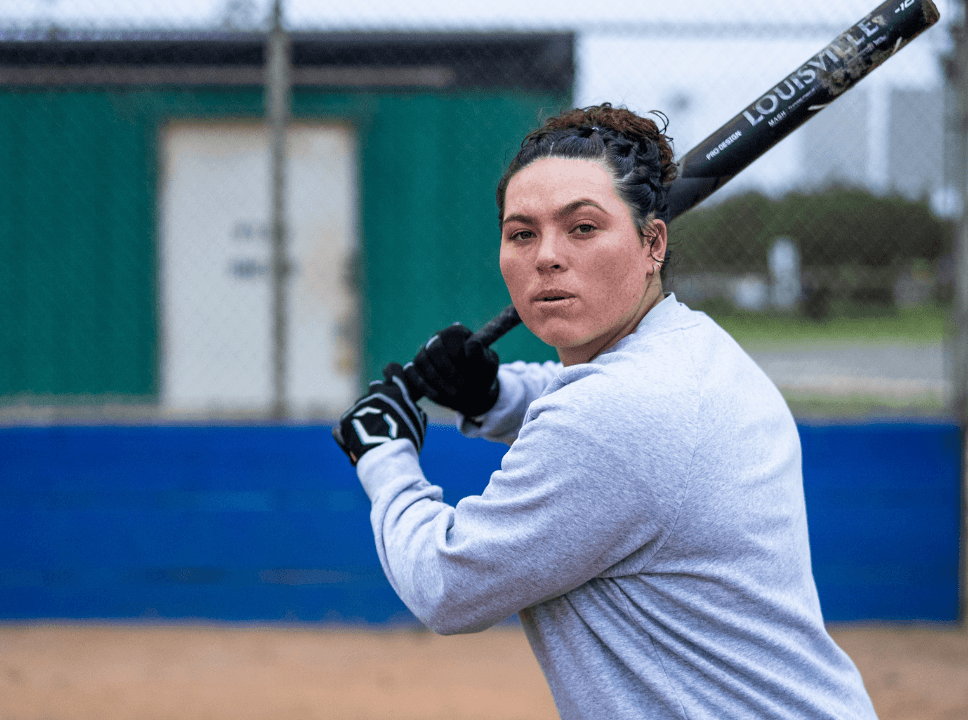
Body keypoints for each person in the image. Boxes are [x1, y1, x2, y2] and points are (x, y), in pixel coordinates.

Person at [333, 104, 878, 719]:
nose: (547, 257)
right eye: (522, 234)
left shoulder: (616, 415)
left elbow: (447, 586)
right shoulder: (693, 350)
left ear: (652, 241)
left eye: (583, 228)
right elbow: (590, 401)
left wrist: (385, 454)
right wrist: (490, 394)